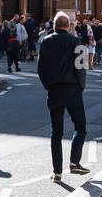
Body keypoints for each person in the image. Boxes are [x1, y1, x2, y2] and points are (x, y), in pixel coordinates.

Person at [38, 13, 90, 183]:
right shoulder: (77, 42)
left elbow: (41, 69)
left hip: (54, 90)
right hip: (73, 89)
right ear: (68, 26)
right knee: (80, 127)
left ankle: (57, 172)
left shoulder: (45, 42)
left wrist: (48, 85)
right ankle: (74, 161)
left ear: (54, 25)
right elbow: (81, 68)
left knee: (56, 132)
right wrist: (81, 87)